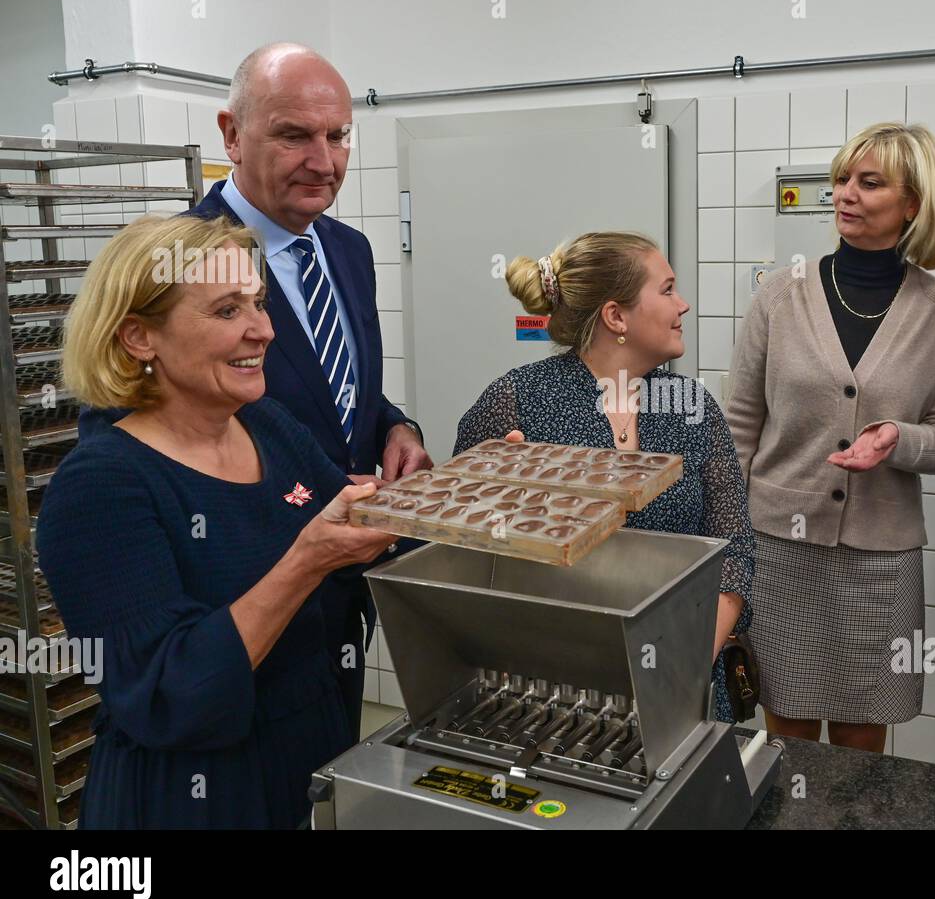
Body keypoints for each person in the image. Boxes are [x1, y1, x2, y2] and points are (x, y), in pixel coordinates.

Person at [79, 42, 431, 740]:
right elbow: (126, 440)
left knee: (320, 777)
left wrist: (397, 427)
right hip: (229, 623)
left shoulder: (347, 250)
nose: (325, 162)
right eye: (294, 135)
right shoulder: (177, 262)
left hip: (338, 603)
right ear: (232, 135)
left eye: (338, 137)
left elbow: (341, 396)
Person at [37, 215, 397, 827]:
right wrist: (306, 560)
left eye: (258, 303)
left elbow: (361, 527)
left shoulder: (268, 426)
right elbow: (169, 694)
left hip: (307, 759)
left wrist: (486, 491)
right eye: (228, 311)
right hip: (195, 795)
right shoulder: (101, 489)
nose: (264, 330)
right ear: (138, 337)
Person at [726, 122, 935, 751]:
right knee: (790, 726)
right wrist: (730, 544)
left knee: (864, 732)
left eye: (869, 183)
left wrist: (899, 439)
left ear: (912, 203)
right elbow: (740, 425)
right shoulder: (780, 295)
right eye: (841, 180)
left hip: (880, 556)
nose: (845, 195)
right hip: (781, 546)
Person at [453, 233, 755, 721]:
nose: (684, 304)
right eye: (668, 290)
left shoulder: (692, 408)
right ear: (617, 317)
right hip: (551, 687)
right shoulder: (517, 402)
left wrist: (684, 666)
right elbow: (460, 550)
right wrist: (503, 506)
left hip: (685, 679)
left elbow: (734, 550)